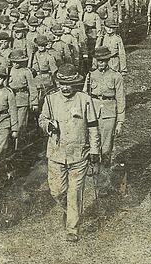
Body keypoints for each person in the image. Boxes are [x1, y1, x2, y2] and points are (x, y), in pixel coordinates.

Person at [38, 65, 100, 242]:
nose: (65, 88)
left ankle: (72, 228)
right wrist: (47, 125)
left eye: (69, 84)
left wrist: (95, 150)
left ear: (75, 83)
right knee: (57, 191)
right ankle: (70, 210)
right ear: (57, 83)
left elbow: (93, 127)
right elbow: (42, 119)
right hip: (56, 154)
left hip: (79, 154)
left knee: (75, 192)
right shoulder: (50, 99)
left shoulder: (85, 100)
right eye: (62, 84)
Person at [85, 47, 126, 175]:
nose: (100, 64)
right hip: (93, 114)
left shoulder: (116, 76)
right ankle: (94, 171)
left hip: (109, 114)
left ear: (108, 61)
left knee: (106, 146)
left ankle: (104, 175)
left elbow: (120, 99)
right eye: (98, 61)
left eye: (103, 61)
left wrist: (120, 122)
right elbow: (84, 96)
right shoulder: (91, 75)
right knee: (92, 143)